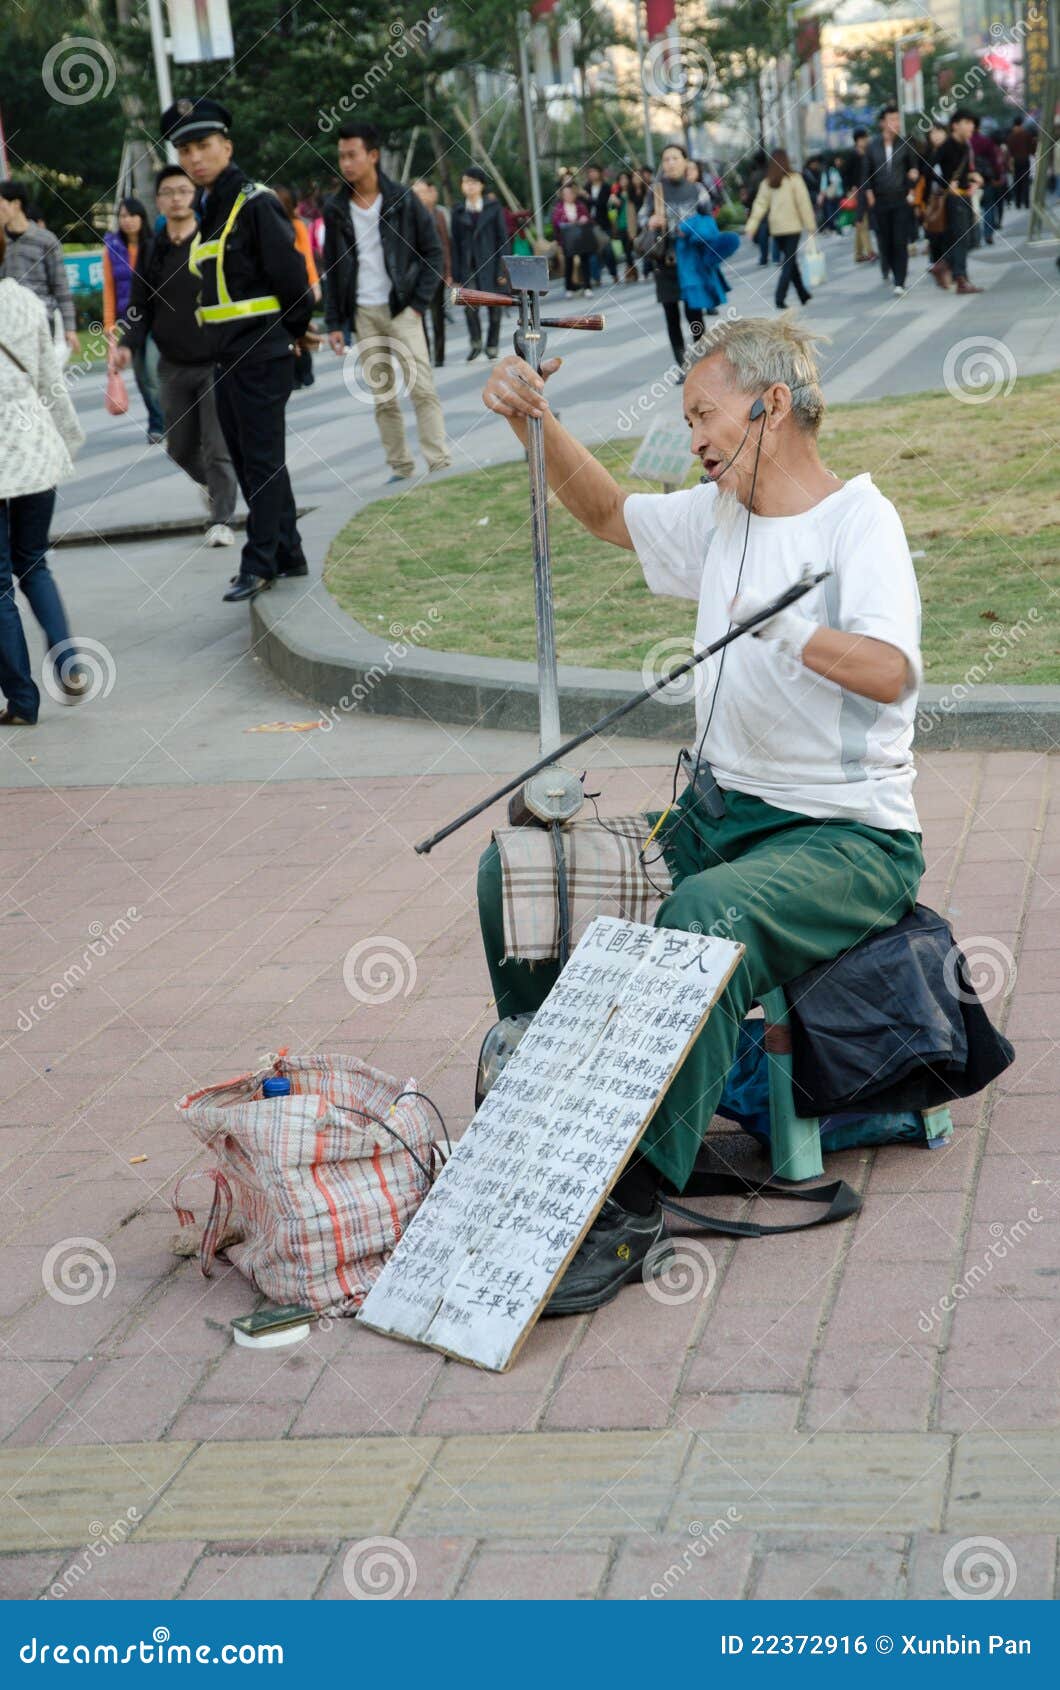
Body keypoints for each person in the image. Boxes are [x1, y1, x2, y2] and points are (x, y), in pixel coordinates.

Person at [478, 315, 923, 1311]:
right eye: (687, 421)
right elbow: (603, 513)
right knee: (521, 871)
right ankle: (556, 1109)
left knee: (703, 922)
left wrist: (795, 630)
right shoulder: (719, 514)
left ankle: (628, 1207)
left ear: (770, 405)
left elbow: (890, 670)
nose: (695, 440)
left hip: (846, 840)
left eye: (703, 416)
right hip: (722, 815)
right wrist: (531, 420)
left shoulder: (859, 522)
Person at [161, 96, 315, 602]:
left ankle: (260, 562)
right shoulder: (212, 206)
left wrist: (292, 333)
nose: (194, 158)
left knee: (262, 461)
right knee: (254, 460)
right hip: (226, 356)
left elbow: (293, 279)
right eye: (185, 150)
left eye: (203, 145)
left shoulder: (255, 202)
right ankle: (288, 553)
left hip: (262, 352)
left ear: (227, 145)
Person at [115, 165, 238, 547]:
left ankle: (222, 520)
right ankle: (211, 488)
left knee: (218, 448)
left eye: (183, 190)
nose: (175, 198)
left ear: (194, 195)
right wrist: (125, 344)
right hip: (173, 364)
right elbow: (140, 305)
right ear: (159, 201)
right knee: (180, 448)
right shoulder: (154, 248)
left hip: (214, 362)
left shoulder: (213, 239)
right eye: (167, 192)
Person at [323, 120, 449, 483]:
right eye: (341, 156)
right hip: (363, 313)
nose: (346, 163)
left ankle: (439, 462)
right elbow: (332, 269)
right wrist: (334, 323)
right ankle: (400, 467)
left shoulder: (402, 201)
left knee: (422, 388)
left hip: (402, 309)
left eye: (352, 155)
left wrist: (417, 304)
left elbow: (433, 254)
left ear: (372, 156)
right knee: (383, 397)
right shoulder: (335, 210)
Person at [0, 245, 88, 723]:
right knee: (33, 560)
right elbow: (50, 380)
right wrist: (67, 438)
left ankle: (22, 701)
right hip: (33, 444)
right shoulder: (24, 302)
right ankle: (70, 660)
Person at [638, 141, 713, 372]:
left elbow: (709, 221)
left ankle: (700, 363)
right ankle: (682, 366)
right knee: (671, 315)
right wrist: (650, 222)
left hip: (690, 261)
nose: (670, 163)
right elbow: (642, 218)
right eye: (666, 159)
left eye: (675, 158)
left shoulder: (697, 190)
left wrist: (695, 229)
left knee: (695, 314)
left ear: (685, 162)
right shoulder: (656, 191)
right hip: (665, 262)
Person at [102, 198, 165, 441]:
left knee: (152, 369)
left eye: (132, 215)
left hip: (154, 318)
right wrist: (109, 323)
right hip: (128, 321)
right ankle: (156, 419)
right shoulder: (112, 247)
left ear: (142, 218)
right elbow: (109, 288)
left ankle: (161, 422)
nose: (127, 220)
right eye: (123, 216)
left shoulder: (155, 245)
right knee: (140, 375)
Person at [0, 180, 79, 357]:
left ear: (16, 204)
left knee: (41, 379)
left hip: (41, 321)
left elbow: (61, 287)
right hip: (8, 324)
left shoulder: (46, 240)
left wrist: (70, 329)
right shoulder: (1, 241)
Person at [744, 149, 817, 310]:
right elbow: (803, 204)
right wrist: (811, 226)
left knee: (791, 261)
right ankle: (780, 297)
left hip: (776, 229)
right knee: (789, 262)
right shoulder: (795, 179)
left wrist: (751, 226)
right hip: (792, 228)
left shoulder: (768, 182)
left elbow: (759, 205)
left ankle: (802, 294)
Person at [450, 166, 509, 360]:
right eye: (466, 182)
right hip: (469, 268)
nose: (469, 186)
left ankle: (492, 346)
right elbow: (455, 246)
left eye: (473, 182)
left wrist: (503, 269)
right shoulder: (458, 212)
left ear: (481, 185)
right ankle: (476, 342)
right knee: (469, 307)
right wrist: (456, 275)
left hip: (492, 267)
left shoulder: (494, 209)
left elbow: (503, 239)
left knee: (495, 308)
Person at [861, 105, 920, 295]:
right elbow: (866, 174)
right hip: (880, 200)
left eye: (897, 119)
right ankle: (894, 273)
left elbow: (914, 168)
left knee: (899, 240)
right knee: (885, 241)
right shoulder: (872, 147)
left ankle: (900, 281)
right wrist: (868, 192)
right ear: (882, 123)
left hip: (901, 199)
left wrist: (914, 175)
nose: (895, 123)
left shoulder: (905, 143)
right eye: (891, 119)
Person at [933, 109, 983, 296]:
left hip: (965, 195)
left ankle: (945, 266)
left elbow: (965, 170)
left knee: (968, 239)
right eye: (967, 122)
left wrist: (974, 177)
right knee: (962, 239)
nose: (971, 127)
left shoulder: (965, 146)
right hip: (953, 199)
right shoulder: (946, 146)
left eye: (972, 123)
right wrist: (947, 184)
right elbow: (929, 168)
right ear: (955, 125)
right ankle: (960, 278)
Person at [275, 186, 321, 389]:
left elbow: (307, 258)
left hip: (300, 285)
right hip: (279, 288)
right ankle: (292, 373)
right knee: (286, 333)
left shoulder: (296, 225)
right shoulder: (268, 227)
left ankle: (305, 370)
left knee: (300, 328)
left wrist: (314, 284)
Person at [411, 179, 451, 367]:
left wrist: (448, 271)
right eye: (415, 192)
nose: (419, 196)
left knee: (437, 316)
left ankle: (440, 355)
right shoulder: (408, 217)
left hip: (436, 273)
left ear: (429, 193)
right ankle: (424, 355)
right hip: (416, 275)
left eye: (422, 192)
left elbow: (445, 245)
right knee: (419, 316)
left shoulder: (437, 215)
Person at [551, 180, 594, 299]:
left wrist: (584, 219)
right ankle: (568, 287)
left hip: (581, 239)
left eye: (570, 193)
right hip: (567, 241)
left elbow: (589, 219)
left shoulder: (580, 206)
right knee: (568, 264)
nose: (568, 196)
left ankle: (587, 287)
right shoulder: (558, 209)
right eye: (566, 194)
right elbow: (556, 225)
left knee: (585, 263)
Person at [842, 129, 876, 262]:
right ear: (857, 140)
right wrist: (850, 188)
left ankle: (858, 254)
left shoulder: (869, 153)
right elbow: (844, 173)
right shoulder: (852, 155)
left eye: (866, 138)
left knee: (860, 221)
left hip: (868, 191)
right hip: (857, 192)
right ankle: (870, 251)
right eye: (862, 139)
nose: (865, 141)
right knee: (862, 220)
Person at [583, 163, 618, 286]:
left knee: (608, 250)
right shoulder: (586, 187)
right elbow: (583, 206)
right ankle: (596, 277)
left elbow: (602, 204)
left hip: (603, 223)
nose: (592, 174)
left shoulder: (606, 187)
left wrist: (588, 198)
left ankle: (614, 273)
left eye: (594, 171)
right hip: (590, 225)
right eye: (590, 172)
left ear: (599, 173)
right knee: (592, 252)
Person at [971, 119, 1004, 246]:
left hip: (971, 180)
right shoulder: (986, 141)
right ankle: (988, 234)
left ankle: (977, 237)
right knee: (989, 207)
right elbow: (994, 161)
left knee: (974, 209)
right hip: (987, 178)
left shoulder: (966, 142)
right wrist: (997, 176)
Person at [1006, 116, 1036, 210]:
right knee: (1025, 181)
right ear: (1021, 123)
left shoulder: (1011, 136)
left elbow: (1009, 151)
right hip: (1025, 159)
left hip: (1015, 160)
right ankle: (1026, 202)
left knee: (1017, 181)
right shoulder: (1026, 134)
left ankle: (1018, 203)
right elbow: (1032, 148)